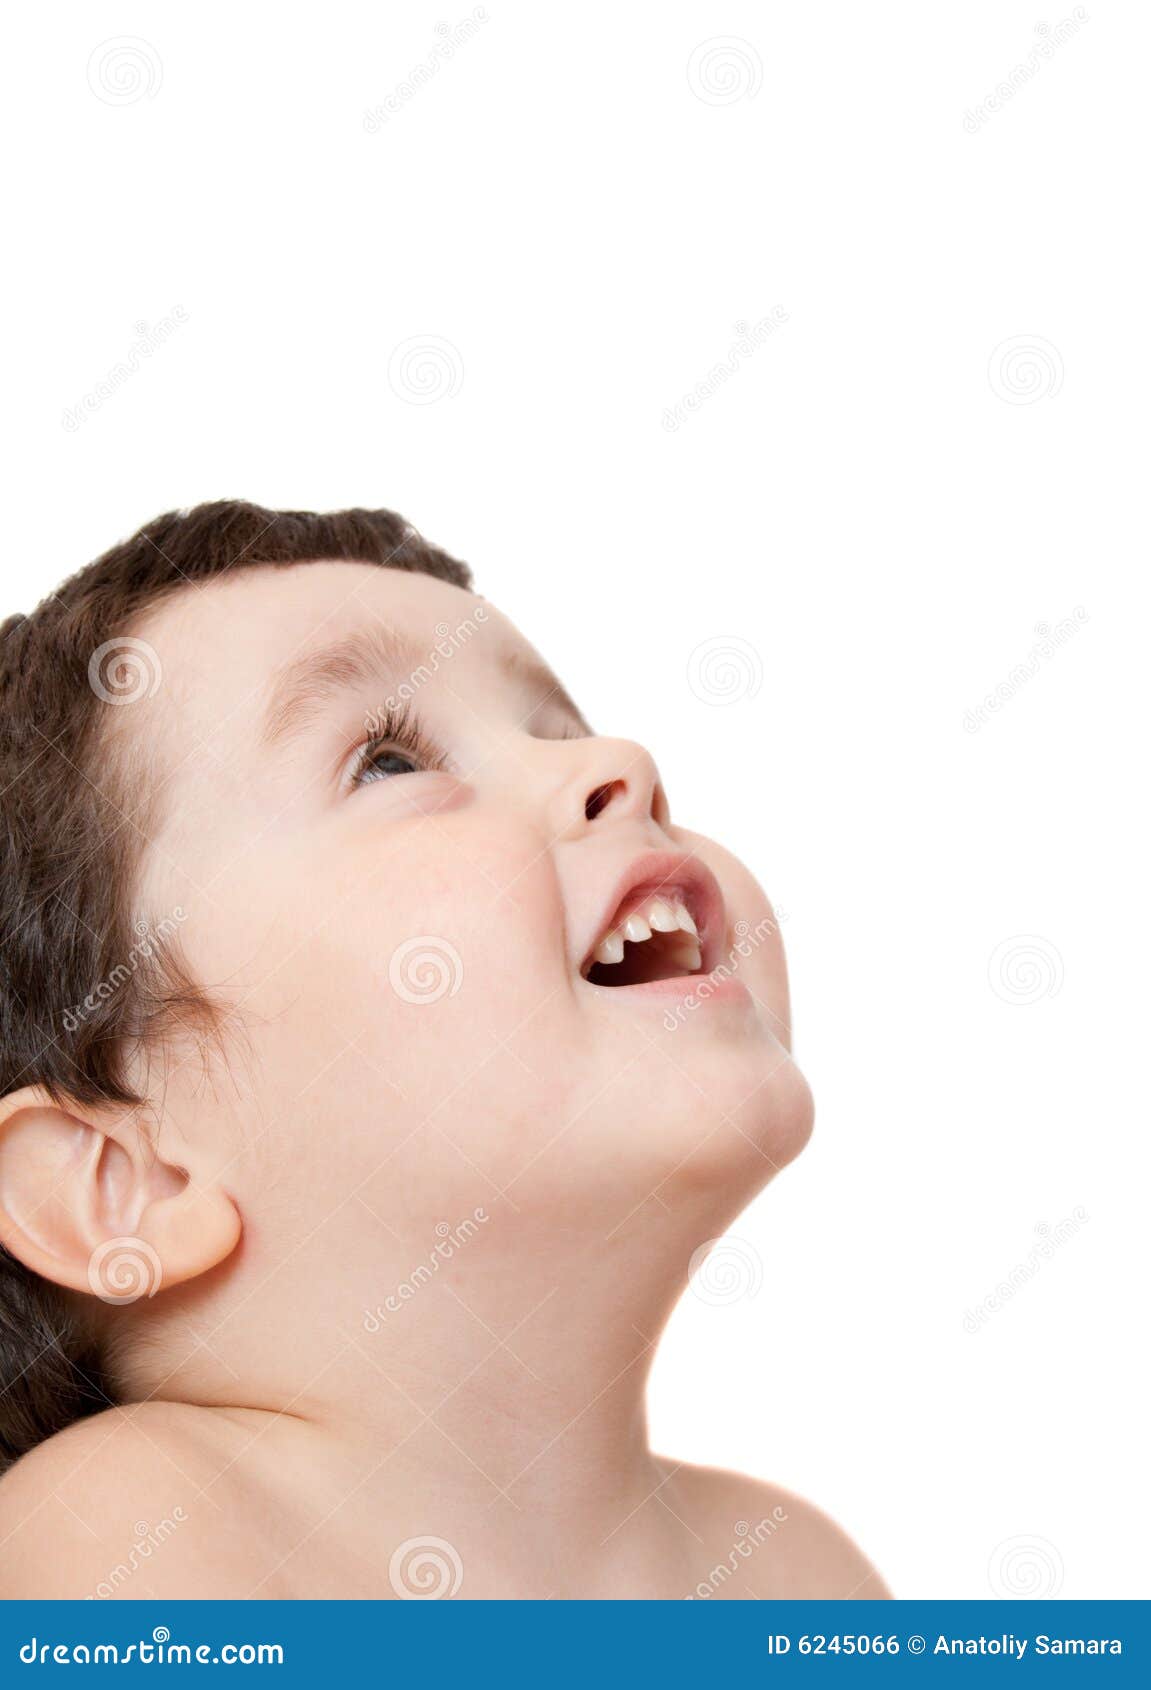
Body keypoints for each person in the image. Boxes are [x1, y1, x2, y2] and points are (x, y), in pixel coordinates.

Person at [0, 502, 888, 1599]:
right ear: (126, 1181)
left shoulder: (797, 1571)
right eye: (386, 761)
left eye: (561, 732)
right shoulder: (125, 1528)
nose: (625, 762)